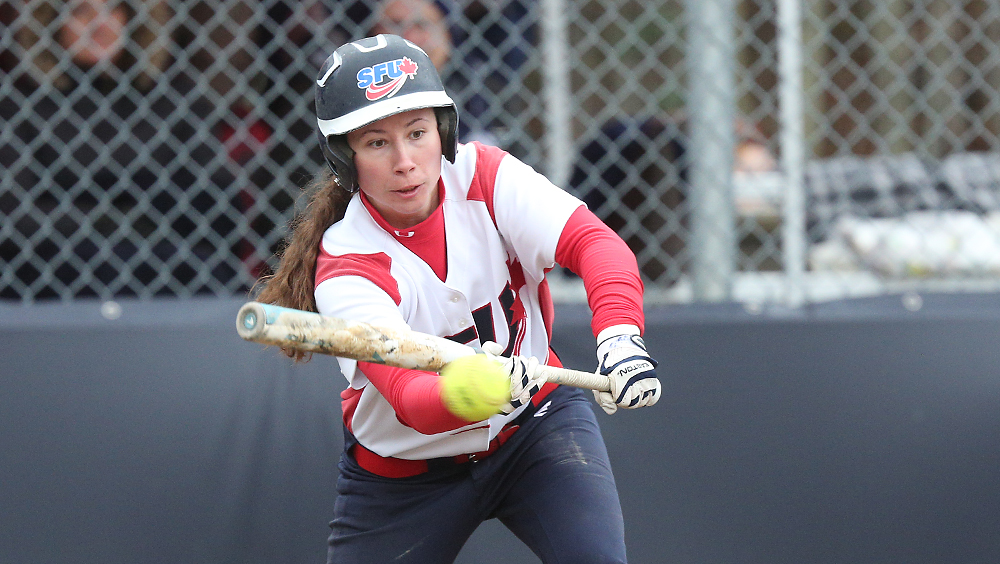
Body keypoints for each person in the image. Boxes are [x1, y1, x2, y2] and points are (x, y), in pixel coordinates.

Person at [252, 34, 661, 563]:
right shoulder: (348, 262)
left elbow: (594, 243)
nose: (405, 161)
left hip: (533, 428)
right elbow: (406, 394)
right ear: (344, 157)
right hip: (403, 476)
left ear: (442, 132)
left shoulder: (485, 176)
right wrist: (476, 394)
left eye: (417, 133)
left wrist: (620, 336)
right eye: (377, 143)